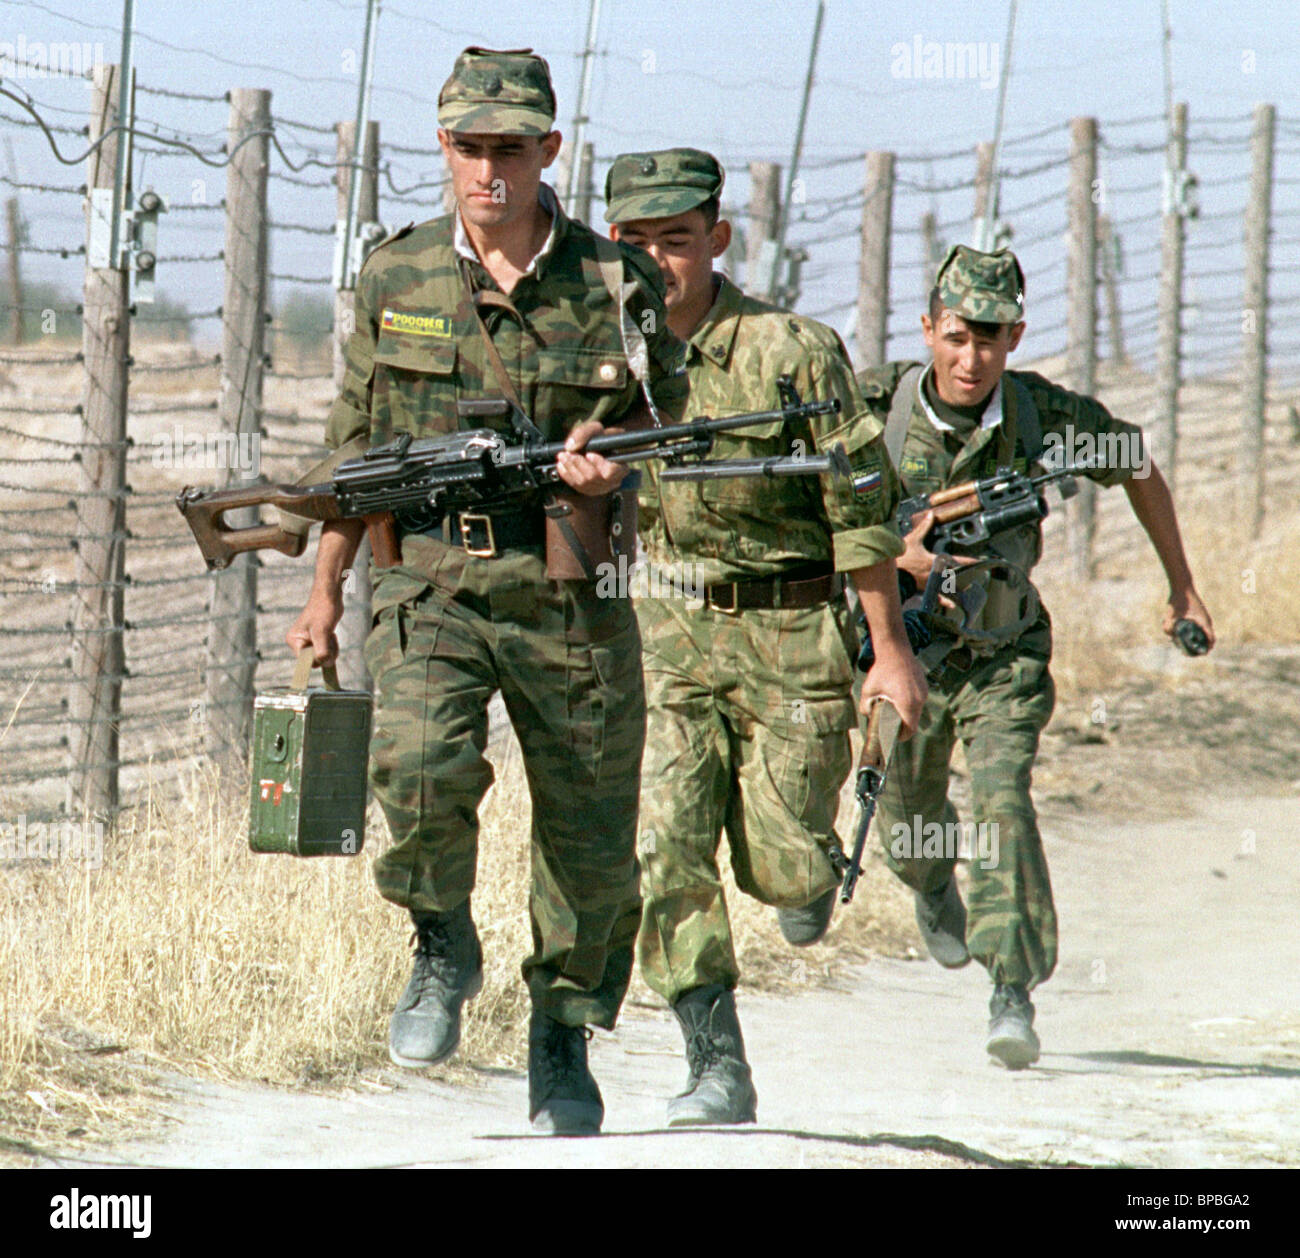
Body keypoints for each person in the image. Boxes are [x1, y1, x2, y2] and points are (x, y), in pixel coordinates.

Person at [286, 47, 687, 1136]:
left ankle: (562, 1034)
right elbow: (356, 449)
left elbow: (669, 420)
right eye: (469, 148)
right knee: (413, 771)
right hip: (431, 582)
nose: (489, 172)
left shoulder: (617, 282)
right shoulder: (396, 275)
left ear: (549, 150)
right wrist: (325, 591)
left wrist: (613, 462)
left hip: (571, 587)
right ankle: (440, 941)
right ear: (444, 148)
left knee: (590, 840)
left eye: (510, 149)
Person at [604, 148, 928, 1125]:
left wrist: (889, 653)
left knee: (785, 867)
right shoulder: (601, 359)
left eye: (675, 239)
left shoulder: (793, 352)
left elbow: (859, 512)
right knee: (664, 843)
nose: (657, 262)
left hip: (791, 630)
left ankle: (804, 870)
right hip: (668, 628)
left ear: (717, 239)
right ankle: (714, 1059)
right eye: (634, 242)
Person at [856, 244, 1215, 1068]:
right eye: (955, 337)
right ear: (927, 329)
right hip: (905, 654)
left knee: (1003, 803)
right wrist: (897, 555)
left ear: (1014, 337)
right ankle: (931, 886)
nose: (970, 359)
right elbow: (815, 504)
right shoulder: (875, 409)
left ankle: (1010, 987)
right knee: (907, 823)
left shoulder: (1040, 413)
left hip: (1003, 654)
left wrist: (1183, 586)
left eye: (989, 339)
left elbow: (1137, 464)